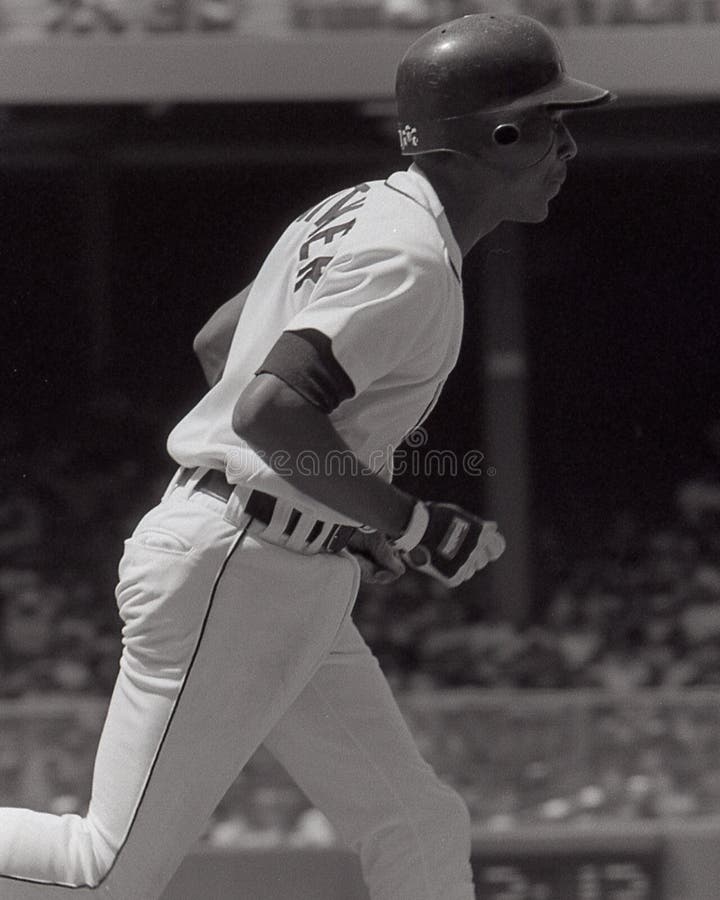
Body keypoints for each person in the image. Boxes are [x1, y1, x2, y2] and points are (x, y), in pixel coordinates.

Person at [0, 14, 613, 900]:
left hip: (280, 564)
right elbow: (271, 406)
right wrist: (408, 521)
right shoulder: (407, 256)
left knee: (418, 824)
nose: (568, 143)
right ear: (497, 134)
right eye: (552, 121)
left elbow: (222, 342)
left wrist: (340, 514)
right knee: (106, 870)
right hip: (240, 565)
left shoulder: (362, 208)